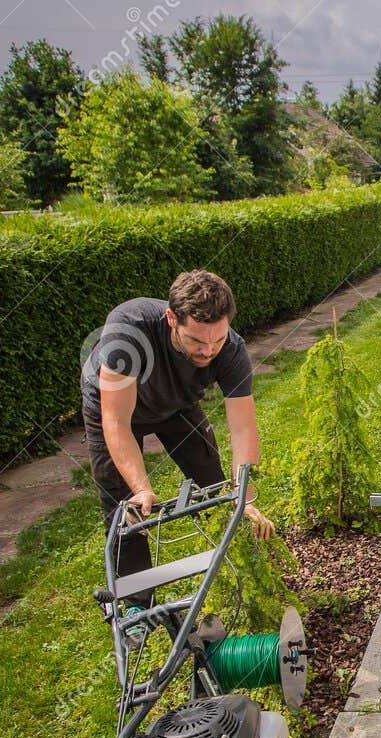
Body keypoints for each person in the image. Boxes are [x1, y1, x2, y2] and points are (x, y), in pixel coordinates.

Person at [81, 270, 275, 642]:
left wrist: (244, 496)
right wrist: (141, 486)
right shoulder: (129, 334)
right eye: (196, 341)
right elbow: (117, 421)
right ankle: (136, 603)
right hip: (115, 406)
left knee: (215, 480)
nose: (207, 350)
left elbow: (242, 428)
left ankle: (240, 566)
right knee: (127, 507)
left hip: (175, 405)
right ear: (172, 319)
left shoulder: (229, 349)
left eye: (216, 340)